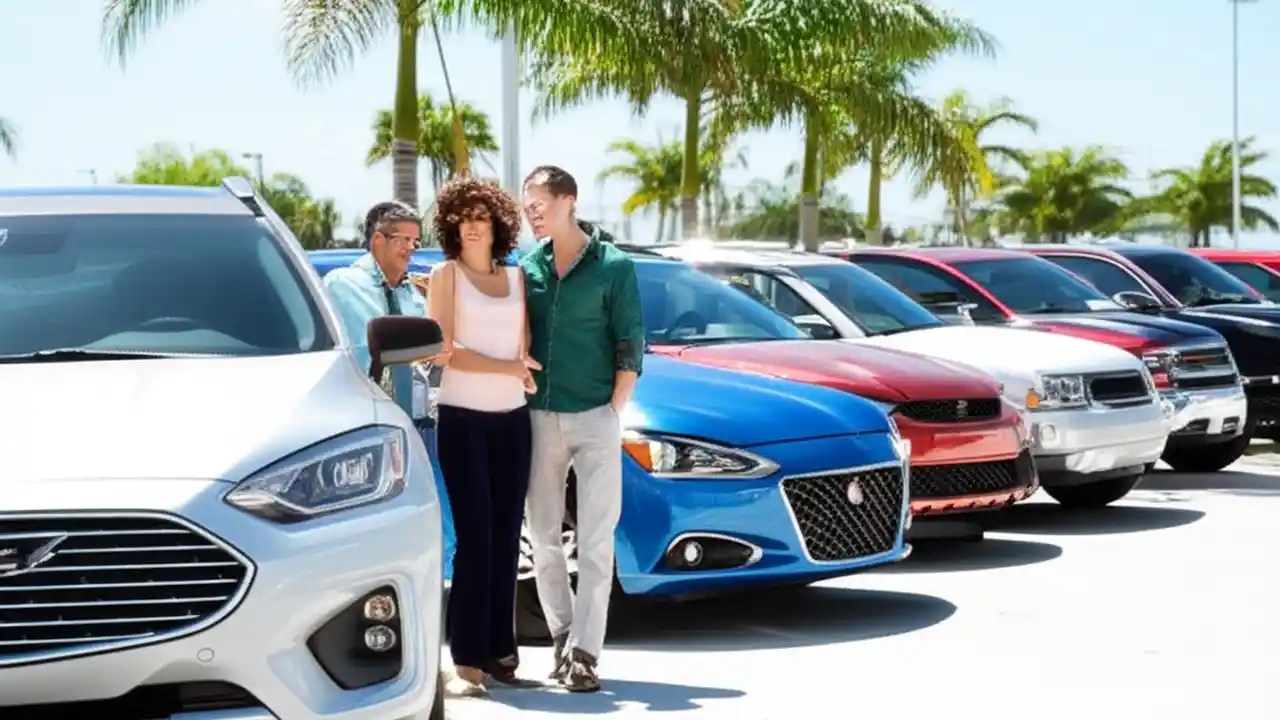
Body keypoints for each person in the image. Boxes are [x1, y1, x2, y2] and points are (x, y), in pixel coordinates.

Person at [519, 165, 645, 693]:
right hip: (539, 419)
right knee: (544, 539)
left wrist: (615, 403)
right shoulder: (528, 268)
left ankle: (587, 653)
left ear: (569, 200)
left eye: (539, 201)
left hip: (595, 416)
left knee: (595, 539)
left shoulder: (613, 266)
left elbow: (630, 338)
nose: (531, 211)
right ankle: (564, 636)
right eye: (527, 204)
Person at [425, 178, 540, 696]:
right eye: (464, 216)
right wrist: (509, 366)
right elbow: (441, 351)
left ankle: (500, 652)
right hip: (463, 418)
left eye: (482, 216)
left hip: (513, 419)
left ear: (498, 225)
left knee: (506, 536)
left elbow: (525, 354)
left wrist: (520, 370)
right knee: (475, 539)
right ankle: (465, 661)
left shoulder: (517, 279)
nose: (473, 224)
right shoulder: (444, 275)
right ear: (453, 225)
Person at [323, 200, 427, 411]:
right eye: (404, 239)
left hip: (409, 418)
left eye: (415, 241)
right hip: (354, 411)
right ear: (378, 239)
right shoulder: (341, 285)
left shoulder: (415, 298)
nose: (411, 248)